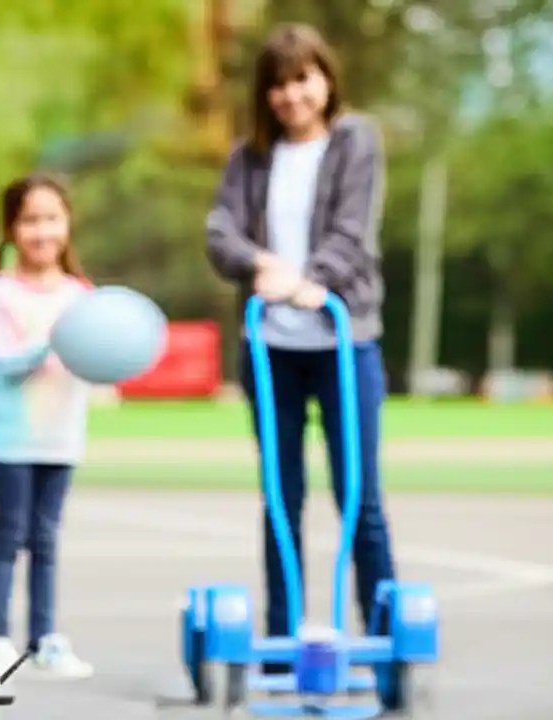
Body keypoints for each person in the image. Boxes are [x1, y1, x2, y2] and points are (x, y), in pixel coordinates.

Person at [204, 23, 396, 674]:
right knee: (280, 497)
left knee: (359, 496)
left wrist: (312, 279)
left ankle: (384, 637)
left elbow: (353, 230)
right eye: (279, 85)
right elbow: (220, 231)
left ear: (326, 80)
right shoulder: (249, 157)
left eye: (303, 79)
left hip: (345, 339)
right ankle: (283, 642)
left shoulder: (355, 142)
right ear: (267, 94)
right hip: (270, 346)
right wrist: (263, 264)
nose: (292, 96)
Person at [0, 173, 95, 680]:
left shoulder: (80, 293)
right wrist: (53, 342)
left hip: (61, 437)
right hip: (14, 439)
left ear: (67, 225)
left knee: (46, 539)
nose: (42, 230)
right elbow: (1, 360)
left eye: (52, 218)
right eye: (30, 220)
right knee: (10, 536)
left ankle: (44, 637)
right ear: (11, 229)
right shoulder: (0, 292)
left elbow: (95, 355)